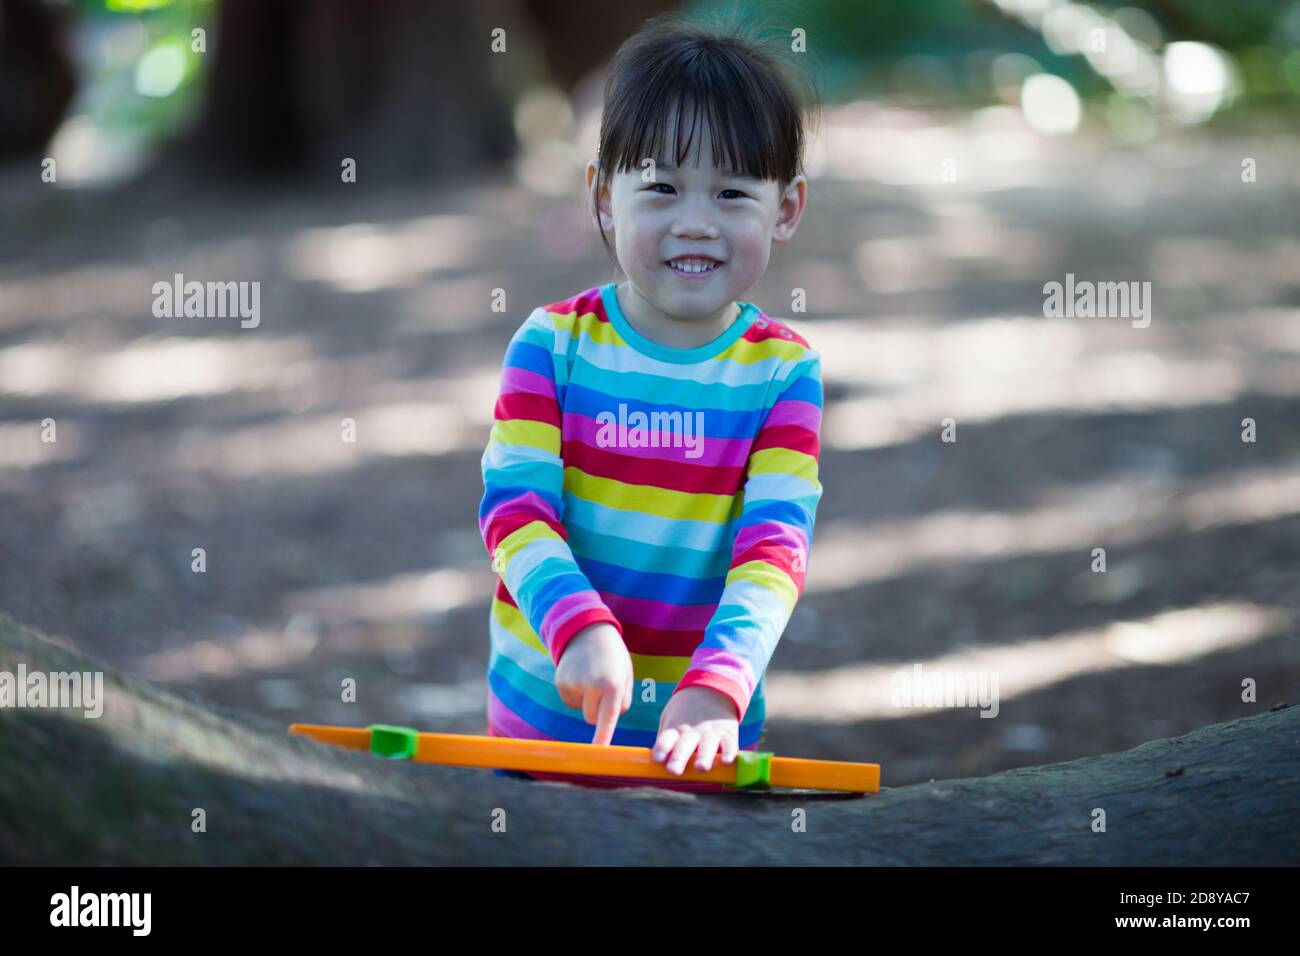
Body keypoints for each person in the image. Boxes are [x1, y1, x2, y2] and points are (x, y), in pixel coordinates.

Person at [478, 12, 823, 791]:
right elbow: (516, 512)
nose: (694, 223)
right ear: (603, 196)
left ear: (787, 209)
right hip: (543, 737)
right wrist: (576, 625)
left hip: (701, 745)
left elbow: (774, 549)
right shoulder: (551, 348)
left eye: (733, 192)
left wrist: (716, 688)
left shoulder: (782, 375)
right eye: (661, 187)